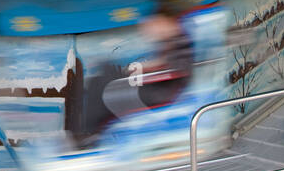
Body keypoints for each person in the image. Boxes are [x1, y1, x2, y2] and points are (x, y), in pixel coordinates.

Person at [76, 10, 195, 140]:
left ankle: (87, 132)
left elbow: (171, 71)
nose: (148, 29)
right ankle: (86, 128)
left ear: (165, 22)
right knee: (103, 75)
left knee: (104, 84)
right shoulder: (174, 40)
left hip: (160, 92)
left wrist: (133, 71)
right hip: (158, 86)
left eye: (154, 23)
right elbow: (162, 64)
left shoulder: (179, 41)